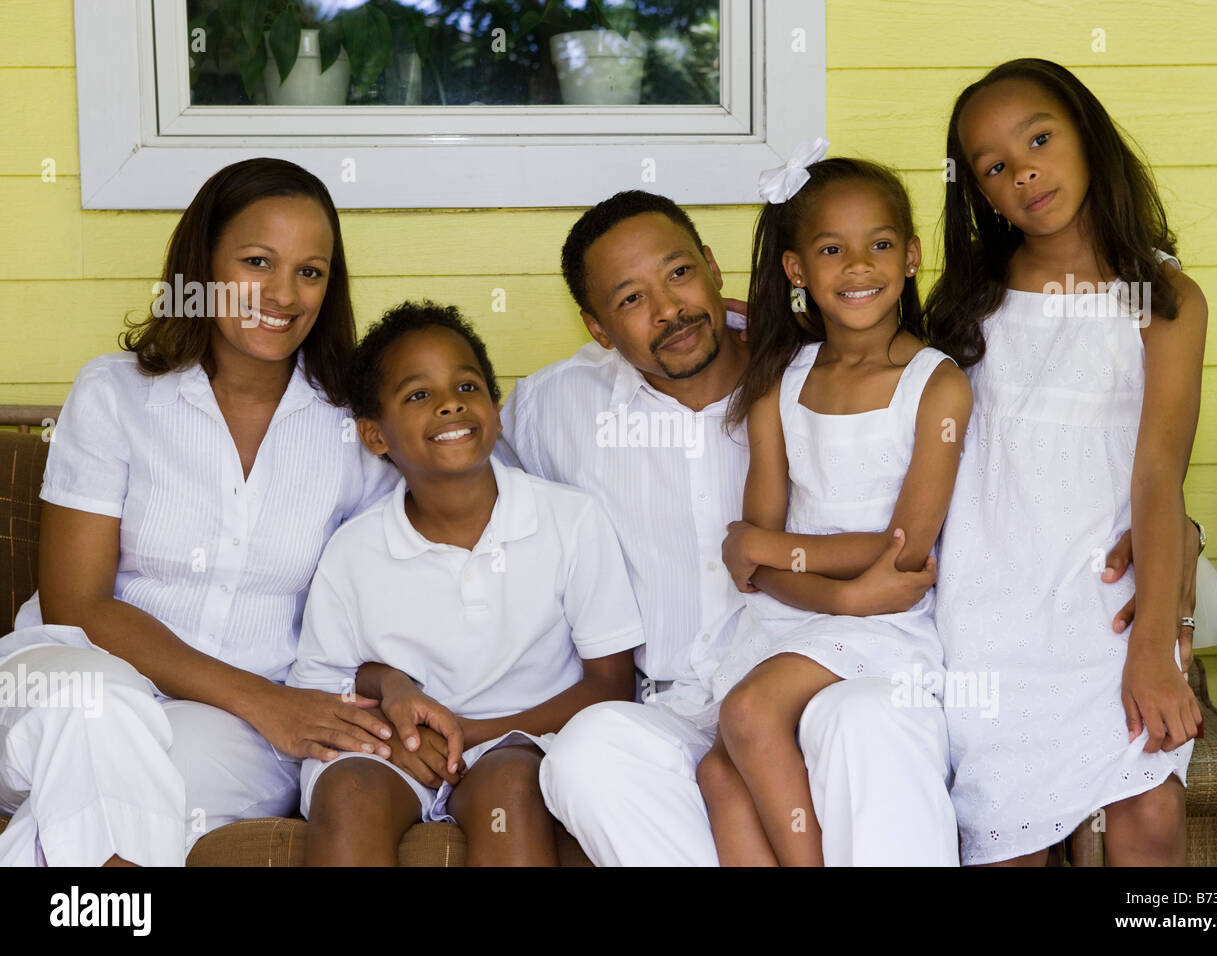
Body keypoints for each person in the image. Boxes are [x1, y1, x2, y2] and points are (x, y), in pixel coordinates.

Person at [498, 188, 946, 866]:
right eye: (631, 299)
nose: (670, 309)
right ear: (596, 327)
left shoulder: (808, 376)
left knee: (867, 720)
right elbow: (450, 494)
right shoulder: (550, 409)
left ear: (711, 266)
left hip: (826, 679)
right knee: (586, 753)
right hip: (681, 710)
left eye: (679, 274)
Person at [0, 158, 398, 866]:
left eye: (311, 271)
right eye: (256, 261)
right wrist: (264, 700)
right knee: (97, 710)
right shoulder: (116, 395)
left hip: (233, 731)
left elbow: (375, 606)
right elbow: (76, 600)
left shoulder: (353, 429)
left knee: (111, 800)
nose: (283, 293)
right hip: (70, 680)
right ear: (202, 265)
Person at [926, 58, 1207, 865]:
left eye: (1039, 138)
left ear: (1086, 133)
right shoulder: (965, 306)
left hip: (1110, 605)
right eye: (994, 167)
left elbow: (1159, 473)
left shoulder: (1164, 298)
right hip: (987, 615)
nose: (1025, 172)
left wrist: (1156, 643)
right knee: (1010, 844)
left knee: (1149, 814)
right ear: (980, 193)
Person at [289, 301, 642, 866]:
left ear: (497, 412)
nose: (450, 402)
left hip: (515, 741)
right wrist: (393, 694)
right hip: (398, 750)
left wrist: (475, 734)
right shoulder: (354, 550)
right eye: (418, 395)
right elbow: (324, 682)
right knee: (347, 789)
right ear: (375, 436)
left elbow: (610, 684)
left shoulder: (569, 520)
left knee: (511, 785)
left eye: (467, 386)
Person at [700, 156, 969, 865]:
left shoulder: (934, 386)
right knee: (719, 774)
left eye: (880, 244)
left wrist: (779, 554)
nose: (858, 266)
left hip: (886, 622)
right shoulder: (778, 384)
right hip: (799, 614)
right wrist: (829, 587)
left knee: (750, 713)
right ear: (796, 269)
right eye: (831, 249)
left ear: (911, 256)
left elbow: (904, 548)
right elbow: (755, 565)